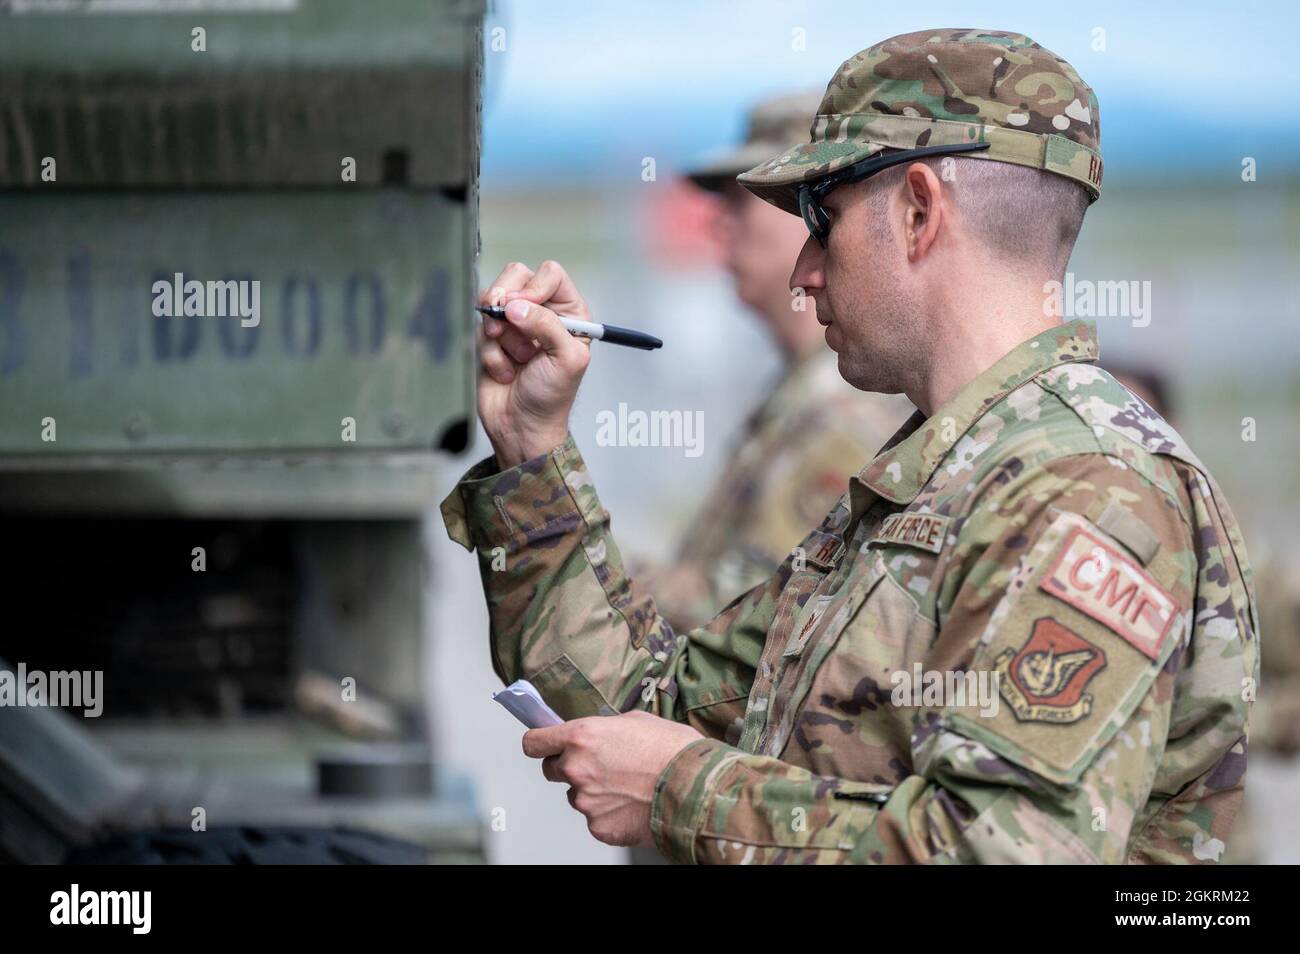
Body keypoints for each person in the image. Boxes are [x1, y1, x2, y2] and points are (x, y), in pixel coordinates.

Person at [442, 29, 1259, 863]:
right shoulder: (932, 479)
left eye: (820, 221)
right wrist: (532, 448)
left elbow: (1002, 852)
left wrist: (680, 789)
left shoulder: (1084, 487)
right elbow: (647, 704)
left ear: (917, 211)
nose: (805, 271)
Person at [638, 90, 912, 632]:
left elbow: (736, 629)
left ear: (805, 211)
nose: (720, 227)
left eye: (741, 201)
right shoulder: (805, 391)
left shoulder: (842, 411)